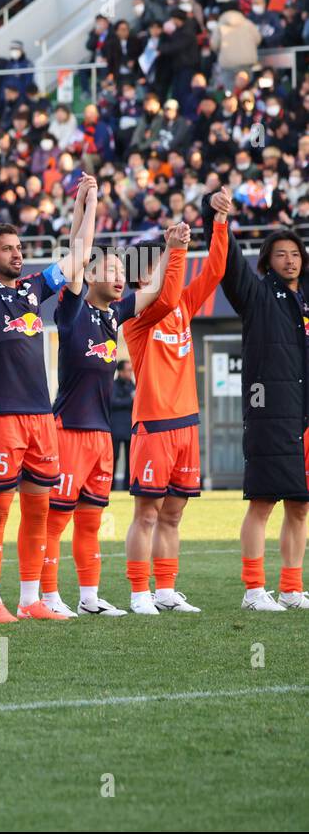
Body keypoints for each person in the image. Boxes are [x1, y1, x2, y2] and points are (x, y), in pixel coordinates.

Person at [0, 140, 94, 622]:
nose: (18, 255)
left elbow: (79, 256)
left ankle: (31, 598)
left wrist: (86, 203)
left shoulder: (35, 290)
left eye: (20, 248)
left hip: (41, 417)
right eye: (8, 249)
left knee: (38, 511)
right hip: (2, 416)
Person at [41, 182, 182, 617]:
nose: (120, 277)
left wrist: (171, 249)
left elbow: (154, 292)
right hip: (68, 431)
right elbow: (78, 252)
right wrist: (89, 204)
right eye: (112, 271)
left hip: (101, 435)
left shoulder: (113, 315)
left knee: (90, 520)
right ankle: (46, 596)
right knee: (56, 520)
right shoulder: (73, 307)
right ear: (91, 276)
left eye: (123, 272)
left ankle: (88, 598)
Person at [119, 193, 231, 615]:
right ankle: (138, 593)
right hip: (153, 423)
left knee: (173, 515)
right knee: (146, 514)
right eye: (152, 267)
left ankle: (165, 590)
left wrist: (218, 224)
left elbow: (216, 270)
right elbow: (163, 296)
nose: (160, 272)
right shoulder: (135, 316)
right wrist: (176, 249)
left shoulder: (183, 305)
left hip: (186, 422)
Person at [218, 207, 309, 611]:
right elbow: (229, 263)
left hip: (302, 419)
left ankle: (291, 588)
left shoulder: (304, 302)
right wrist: (218, 219)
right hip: (269, 417)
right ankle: (254, 590)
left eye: (295, 253)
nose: (290, 260)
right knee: (263, 502)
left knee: (301, 505)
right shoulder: (255, 294)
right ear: (267, 260)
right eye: (281, 254)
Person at [110, 359, 135, 488]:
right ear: (120, 372)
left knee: (130, 461)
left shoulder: (132, 385)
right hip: (115, 428)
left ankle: (127, 486)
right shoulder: (113, 385)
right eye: (128, 370)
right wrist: (130, 400)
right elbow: (112, 402)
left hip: (130, 429)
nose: (130, 373)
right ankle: (110, 486)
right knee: (113, 459)